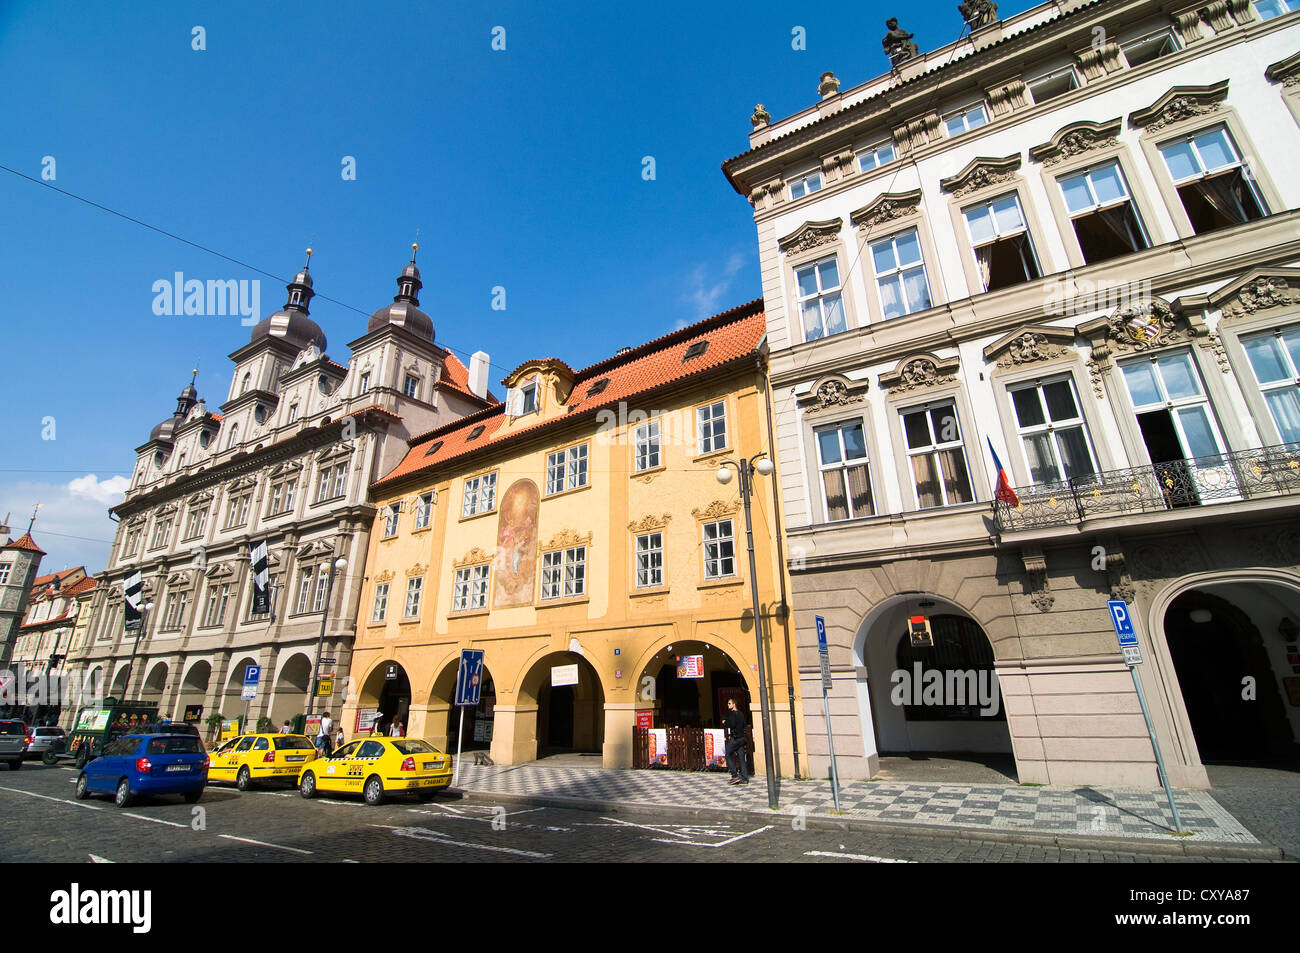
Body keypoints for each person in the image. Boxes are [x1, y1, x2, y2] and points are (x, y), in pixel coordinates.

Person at [723, 698, 749, 785]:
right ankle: (745, 778)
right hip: (742, 738)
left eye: (729, 703)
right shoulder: (741, 714)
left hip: (736, 738)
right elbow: (744, 724)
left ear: (734, 704)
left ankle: (734, 776)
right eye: (728, 703)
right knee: (741, 757)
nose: (728, 705)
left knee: (727, 754)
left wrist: (725, 722)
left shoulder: (733, 714)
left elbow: (732, 724)